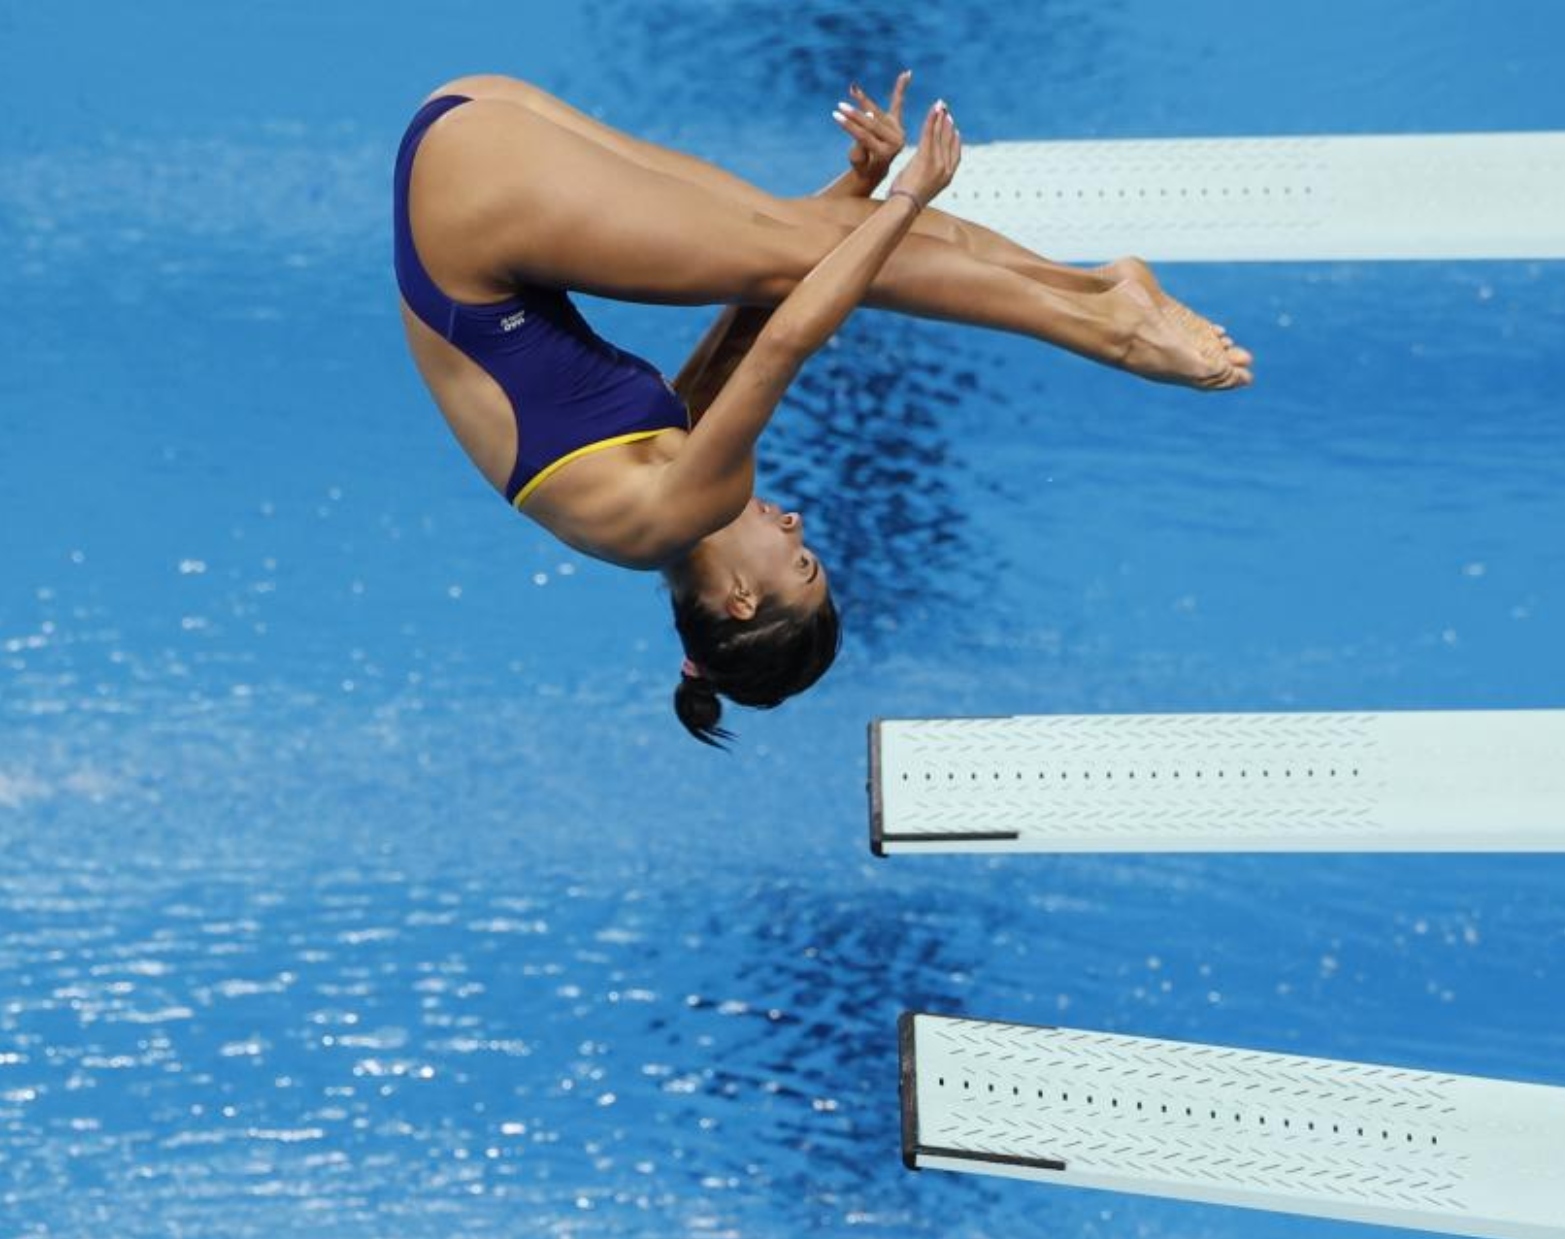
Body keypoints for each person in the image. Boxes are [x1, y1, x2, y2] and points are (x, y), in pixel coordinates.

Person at [393, 73, 1252, 745]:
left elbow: (788, 339)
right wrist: (862, 187)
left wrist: (914, 196)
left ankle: (1110, 329)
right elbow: (754, 318)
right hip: (471, 142)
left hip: (473, 194)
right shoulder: (645, 508)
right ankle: (1096, 288)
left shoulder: (676, 512)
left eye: (798, 567)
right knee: (816, 240)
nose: (800, 528)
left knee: (828, 250)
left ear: (737, 599)